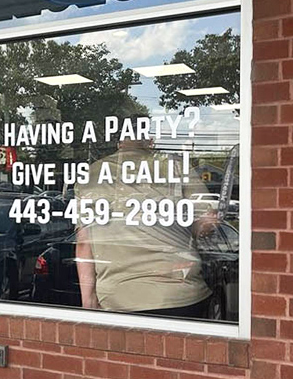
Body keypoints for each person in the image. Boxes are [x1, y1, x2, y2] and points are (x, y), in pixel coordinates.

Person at [74, 127, 215, 319]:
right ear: (149, 140)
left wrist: (88, 302)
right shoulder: (174, 166)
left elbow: (84, 243)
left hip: (117, 297)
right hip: (180, 293)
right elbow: (207, 221)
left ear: (118, 142)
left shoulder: (91, 174)